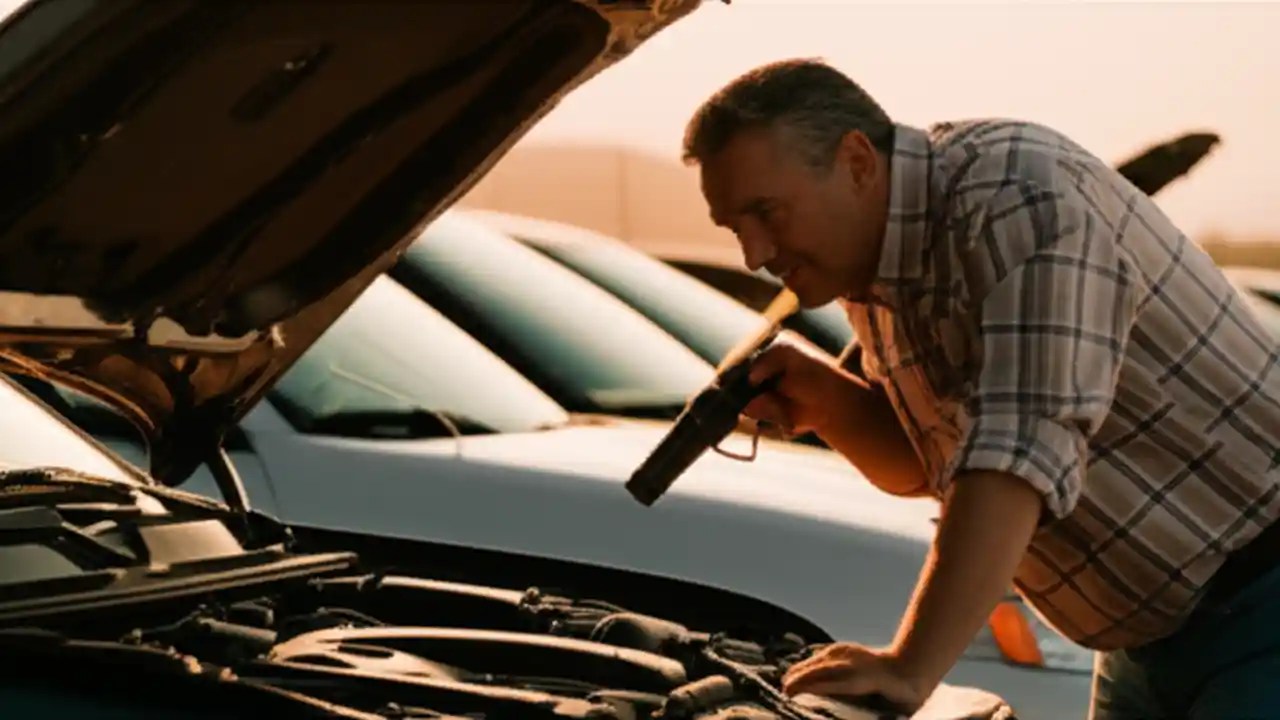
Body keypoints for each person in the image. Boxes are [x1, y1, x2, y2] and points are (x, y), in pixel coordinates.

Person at [679, 58, 1280, 719]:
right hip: (1151, 642)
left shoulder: (1016, 201)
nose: (754, 254)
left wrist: (909, 666)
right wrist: (833, 404)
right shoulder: (879, 263)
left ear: (855, 162)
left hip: (1260, 609)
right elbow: (928, 467)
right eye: (735, 226)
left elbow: (1014, 459)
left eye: (766, 212)